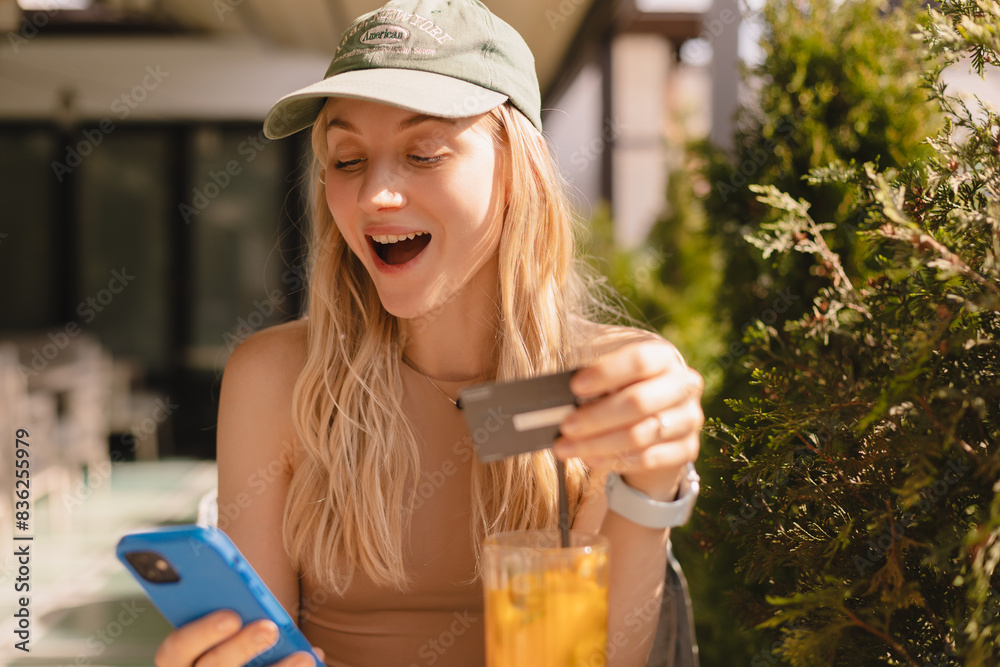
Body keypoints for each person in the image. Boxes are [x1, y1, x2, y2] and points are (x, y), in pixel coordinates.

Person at [154, 1, 703, 665]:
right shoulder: (273, 377)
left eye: (423, 153)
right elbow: (263, 647)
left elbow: (605, 658)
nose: (375, 196)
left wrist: (652, 484)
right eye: (347, 160)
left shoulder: (608, 383)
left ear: (516, 171)